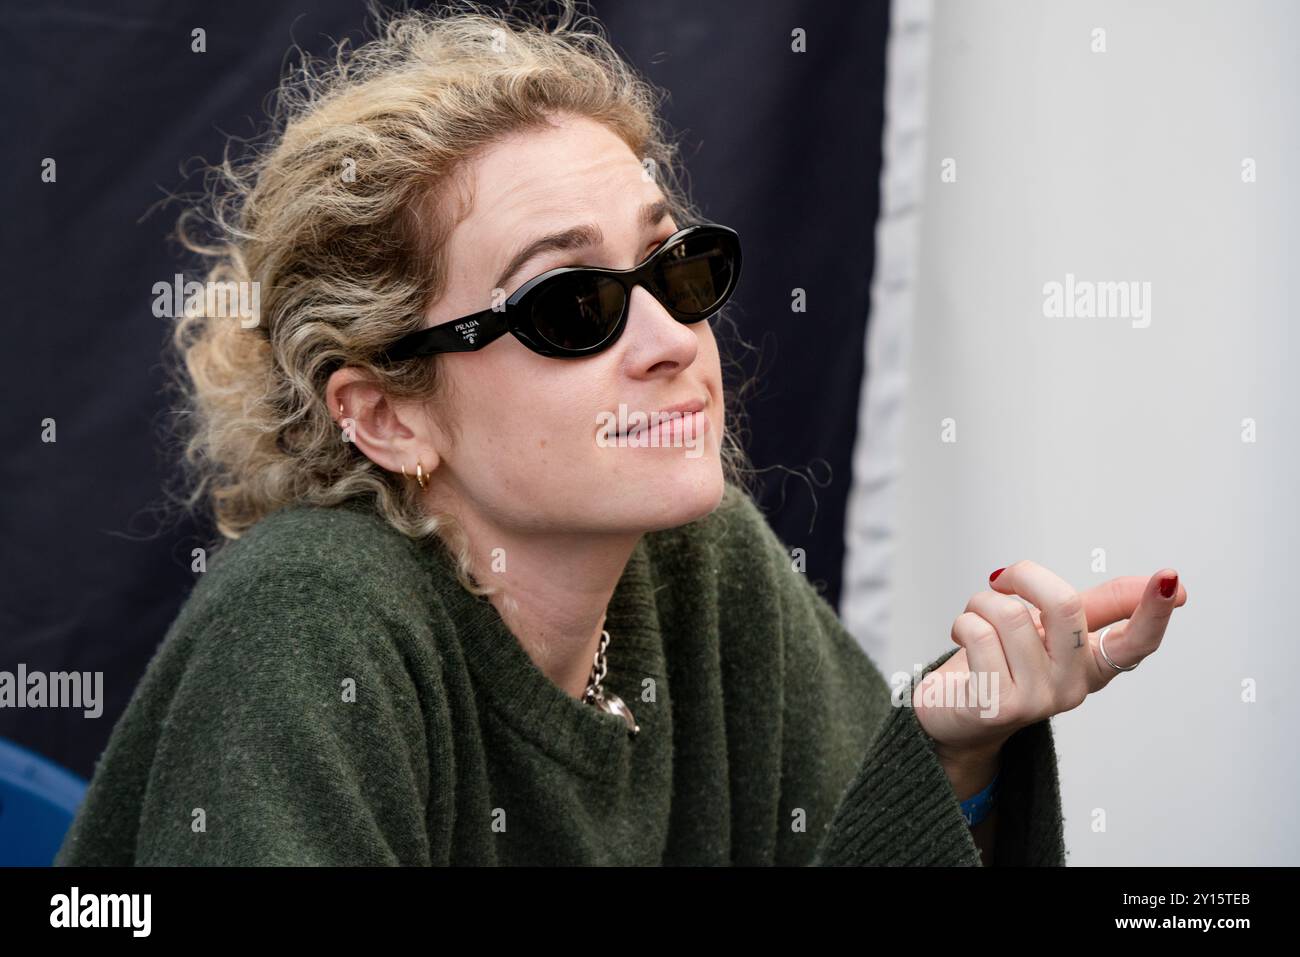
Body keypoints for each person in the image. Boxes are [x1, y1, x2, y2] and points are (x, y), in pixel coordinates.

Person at [55, 0, 1186, 867]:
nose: (667, 337)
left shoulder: (704, 564)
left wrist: (953, 746)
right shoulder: (309, 625)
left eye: (673, 266)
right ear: (386, 415)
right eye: (570, 306)